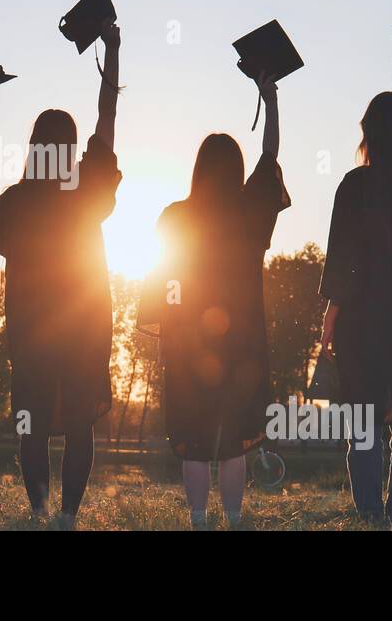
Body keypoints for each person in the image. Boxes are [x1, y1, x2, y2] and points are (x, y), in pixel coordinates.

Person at [140, 74, 289, 529]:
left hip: (187, 347)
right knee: (236, 441)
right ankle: (236, 518)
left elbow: (165, 281)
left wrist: (166, 335)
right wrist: (270, 100)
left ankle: (199, 519)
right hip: (242, 346)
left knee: (193, 439)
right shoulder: (249, 213)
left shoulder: (175, 217)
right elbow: (270, 157)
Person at [0, 23, 122, 528]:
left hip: (31, 329)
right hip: (85, 325)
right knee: (77, 425)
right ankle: (67, 516)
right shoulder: (86, 190)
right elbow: (107, 119)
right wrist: (112, 54)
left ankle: (40, 510)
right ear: (70, 148)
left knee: (31, 425)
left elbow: (6, 249)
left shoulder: (12, 201)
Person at [318, 46, 392, 527]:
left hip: (362, 319)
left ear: (367, 131)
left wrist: (330, 316)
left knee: (362, 417)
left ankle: (369, 512)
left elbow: (340, 260)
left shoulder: (353, 185)